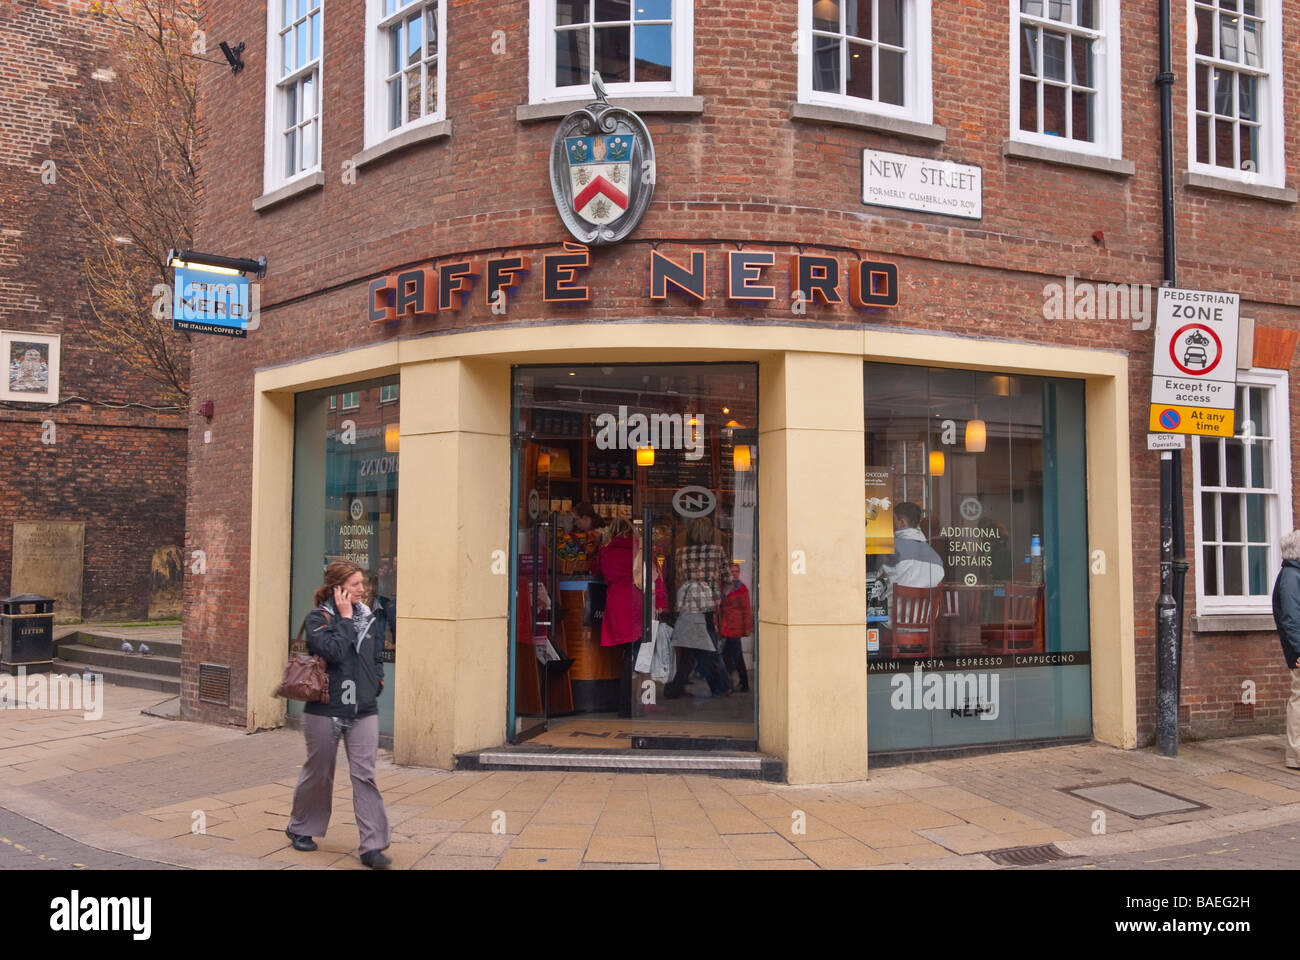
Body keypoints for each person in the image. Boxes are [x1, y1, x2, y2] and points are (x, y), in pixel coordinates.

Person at [285, 560, 392, 868]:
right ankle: (301, 827)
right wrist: (345, 619)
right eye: (355, 584)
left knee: (365, 776)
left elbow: (375, 657)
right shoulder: (319, 618)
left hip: (363, 709)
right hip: (326, 708)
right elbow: (332, 651)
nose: (363, 588)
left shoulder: (370, 617)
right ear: (338, 588)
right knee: (320, 772)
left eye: (363, 583)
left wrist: (377, 683)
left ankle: (372, 846)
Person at [665, 516, 733, 699]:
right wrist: (718, 594)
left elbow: (678, 579)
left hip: (687, 607)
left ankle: (676, 687)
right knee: (710, 648)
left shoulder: (681, 553)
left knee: (688, 649)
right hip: (707, 607)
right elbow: (728, 579)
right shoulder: (717, 551)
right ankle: (722, 685)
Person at [594, 517, 643, 717]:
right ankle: (629, 705)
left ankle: (626, 704)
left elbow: (597, 571)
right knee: (635, 655)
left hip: (615, 602)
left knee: (628, 655)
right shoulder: (639, 549)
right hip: (636, 600)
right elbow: (653, 575)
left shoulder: (605, 551)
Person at [1272, 530, 1300, 770]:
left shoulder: (1293, 575)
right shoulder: (1291, 577)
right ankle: (1296, 755)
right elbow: (1291, 619)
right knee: (1299, 699)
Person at [880, 501, 945, 590]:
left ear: (902, 522)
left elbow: (878, 582)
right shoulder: (936, 556)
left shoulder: (890, 548)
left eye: (892, 520)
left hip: (896, 603)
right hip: (927, 604)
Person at [718, 563, 752, 693]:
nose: (734, 573)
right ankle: (744, 684)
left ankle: (727, 684)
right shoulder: (724, 586)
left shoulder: (742, 588)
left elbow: (746, 609)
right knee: (736, 656)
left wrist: (747, 627)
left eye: (737, 571)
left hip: (736, 626)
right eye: (732, 571)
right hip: (726, 625)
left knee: (728, 657)